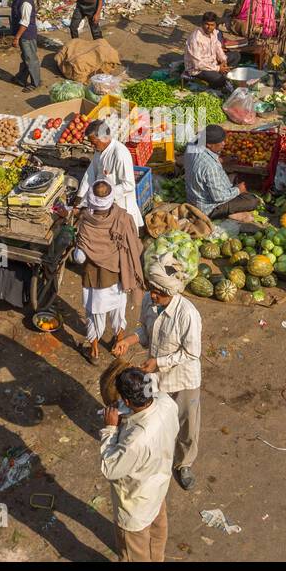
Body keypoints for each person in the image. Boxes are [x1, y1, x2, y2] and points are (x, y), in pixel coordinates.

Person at [114, 253, 203, 490]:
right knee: (152, 416)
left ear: (171, 292)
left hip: (183, 379)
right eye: (151, 289)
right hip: (156, 375)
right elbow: (146, 330)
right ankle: (153, 453)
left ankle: (184, 463)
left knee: (187, 425)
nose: (153, 295)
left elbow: (192, 354)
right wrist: (131, 340)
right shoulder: (148, 301)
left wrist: (158, 362)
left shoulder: (188, 314)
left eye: (158, 292)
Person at [98, 367, 179, 562]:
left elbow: (110, 468)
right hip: (157, 491)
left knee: (133, 554)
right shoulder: (167, 403)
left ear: (126, 401)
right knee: (156, 539)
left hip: (136, 504)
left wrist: (110, 428)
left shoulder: (136, 440)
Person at [73, 178, 144, 364]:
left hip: (94, 280)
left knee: (94, 315)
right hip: (118, 277)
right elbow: (135, 246)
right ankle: (118, 341)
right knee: (118, 311)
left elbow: (79, 258)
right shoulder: (123, 217)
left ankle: (94, 351)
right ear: (111, 198)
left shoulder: (85, 223)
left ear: (91, 199)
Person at [76, 119, 144, 229]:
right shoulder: (100, 150)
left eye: (94, 143)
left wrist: (105, 195)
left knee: (122, 235)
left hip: (120, 204)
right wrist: (80, 198)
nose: (92, 146)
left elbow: (129, 185)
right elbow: (90, 173)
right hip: (104, 204)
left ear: (103, 138)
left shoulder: (120, 155)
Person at [183, 124, 261, 219]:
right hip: (208, 208)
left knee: (235, 177)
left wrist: (222, 160)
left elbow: (202, 160)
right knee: (252, 201)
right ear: (209, 144)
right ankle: (228, 214)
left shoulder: (192, 144)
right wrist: (238, 190)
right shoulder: (210, 167)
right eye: (221, 142)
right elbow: (219, 198)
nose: (224, 144)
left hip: (193, 197)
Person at [183, 11, 236, 88]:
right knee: (220, 80)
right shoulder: (195, 39)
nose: (209, 27)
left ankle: (222, 71)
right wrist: (218, 68)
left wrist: (223, 60)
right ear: (202, 23)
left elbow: (217, 46)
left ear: (215, 25)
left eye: (212, 25)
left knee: (236, 56)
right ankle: (217, 80)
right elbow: (198, 64)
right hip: (198, 69)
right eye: (207, 24)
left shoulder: (214, 32)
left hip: (212, 63)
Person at [10, 0, 42, 91]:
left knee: (30, 59)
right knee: (26, 57)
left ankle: (35, 83)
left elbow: (25, 22)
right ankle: (21, 78)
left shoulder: (25, 1)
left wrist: (16, 38)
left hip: (26, 35)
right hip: (25, 34)